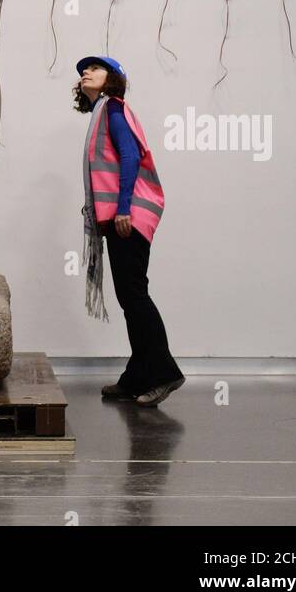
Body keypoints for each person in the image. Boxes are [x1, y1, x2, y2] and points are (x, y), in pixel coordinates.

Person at [73, 55, 184, 408]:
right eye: (83, 70)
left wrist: (122, 207)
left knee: (134, 297)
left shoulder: (114, 109)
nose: (85, 72)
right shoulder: (104, 112)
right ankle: (136, 377)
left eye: (94, 68)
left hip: (128, 217)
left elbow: (130, 157)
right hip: (122, 219)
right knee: (130, 298)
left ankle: (164, 373)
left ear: (112, 79)